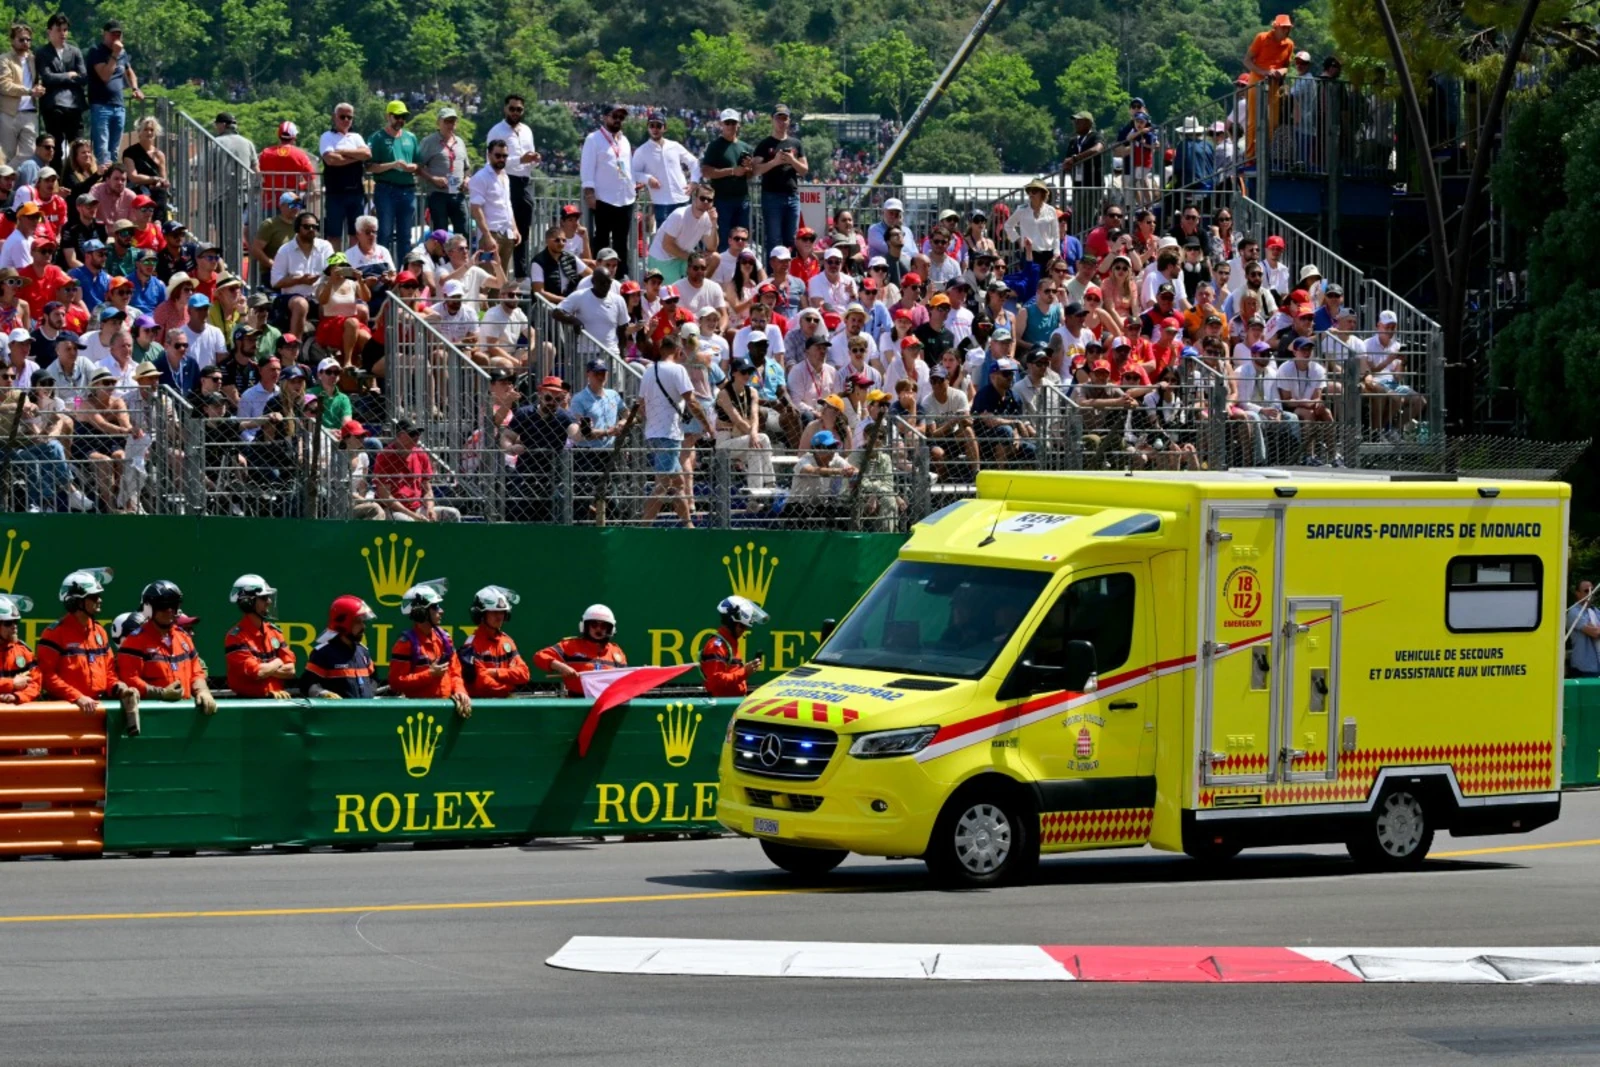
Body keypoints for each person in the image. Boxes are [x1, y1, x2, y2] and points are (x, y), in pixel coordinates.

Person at [37, 567, 138, 724]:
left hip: (97, 712)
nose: (99, 600)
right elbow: (47, 676)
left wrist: (118, 687)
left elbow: (109, 672)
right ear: (76, 601)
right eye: (93, 596)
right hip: (65, 712)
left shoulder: (99, 631)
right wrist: (77, 697)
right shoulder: (54, 633)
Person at [115, 580, 217, 714]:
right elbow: (130, 680)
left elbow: (196, 672)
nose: (169, 610)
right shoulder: (134, 641)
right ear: (149, 608)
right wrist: (161, 694)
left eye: (173, 605)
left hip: (186, 712)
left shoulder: (184, 637)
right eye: (163, 606)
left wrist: (203, 691)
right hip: (152, 716)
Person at [388, 580, 470, 716]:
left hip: (447, 710)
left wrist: (460, 691)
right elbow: (396, 682)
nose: (441, 611)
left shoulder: (445, 639)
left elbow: (455, 673)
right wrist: (429, 675)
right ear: (421, 612)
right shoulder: (405, 643)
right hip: (417, 713)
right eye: (435, 607)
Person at [640, 331, 697, 527]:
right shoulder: (678, 370)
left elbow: (642, 405)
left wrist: (654, 422)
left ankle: (688, 525)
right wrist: (707, 426)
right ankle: (643, 528)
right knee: (663, 485)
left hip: (654, 432)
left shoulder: (648, 370)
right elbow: (692, 401)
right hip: (669, 434)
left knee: (678, 483)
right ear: (678, 350)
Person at [580, 104, 639, 279]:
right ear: (605, 117)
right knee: (602, 239)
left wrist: (633, 186)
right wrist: (589, 193)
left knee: (622, 240)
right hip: (603, 198)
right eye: (615, 116)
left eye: (621, 117)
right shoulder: (593, 139)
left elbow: (627, 167)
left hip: (625, 197)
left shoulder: (624, 140)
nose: (618, 120)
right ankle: (601, 274)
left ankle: (621, 275)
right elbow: (587, 168)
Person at [224, 573, 296, 699]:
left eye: (268, 597)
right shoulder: (235, 637)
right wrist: (278, 662)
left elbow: (291, 671)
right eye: (263, 598)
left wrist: (267, 669)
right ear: (247, 602)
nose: (268, 602)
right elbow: (257, 672)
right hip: (249, 705)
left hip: (280, 699)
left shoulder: (275, 632)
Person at [533, 604, 627, 696]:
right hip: (576, 703)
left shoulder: (616, 651)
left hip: (606, 702)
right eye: (594, 624)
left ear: (610, 629)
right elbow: (539, 657)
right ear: (585, 626)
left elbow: (625, 679)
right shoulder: (570, 645)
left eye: (603, 626)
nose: (598, 629)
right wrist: (561, 667)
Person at [83, 20, 142, 165]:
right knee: (102, 150)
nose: (116, 37)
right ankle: (102, 180)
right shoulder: (96, 51)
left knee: (114, 150)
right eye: (113, 34)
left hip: (118, 105)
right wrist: (115, 54)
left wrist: (135, 88)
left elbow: (129, 72)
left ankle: (113, 181)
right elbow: (105, 76)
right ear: (105, 34)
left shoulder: (123, 53)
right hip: (101, 105)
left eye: (119, 34)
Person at [457, 586, 530, 699]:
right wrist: (508, 687)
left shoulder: (507, 641)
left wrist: (496, 672)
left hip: (504, 703)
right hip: (480, 705)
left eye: (502, 612)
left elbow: (524, 674)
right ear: (482, 614)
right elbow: (482, 682)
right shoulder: (471, 645)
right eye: (494, 612)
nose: (499, 616)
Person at [366, 100, 418, 257]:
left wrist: (412, 167)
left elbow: (418, 163)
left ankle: (404, 274)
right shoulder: (377, 138)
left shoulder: (411, 137)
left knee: (405, 236)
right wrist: (393, 164)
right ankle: (383, 271)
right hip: (385, 189)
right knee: (384, 233)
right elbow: (370, 167)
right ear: (388, 116)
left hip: (408, 190)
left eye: (403, 117)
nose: (400, 120)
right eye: (397, 116)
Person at [301, 594, 377, 699]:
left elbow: (373, 679)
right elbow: (307, 684)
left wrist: (369, 695)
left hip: (365, 714)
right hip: (338, 715)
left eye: (363, 622)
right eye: (358, 622)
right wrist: (322, 693)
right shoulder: (323, 653)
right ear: (343, 623)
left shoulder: (363, 651)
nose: (363, 626)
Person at [753, 105, 805, 252]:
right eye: (779, 118)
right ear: (772, 120)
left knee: (791, 239)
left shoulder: (796, 144)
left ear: (789, 121)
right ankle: (771, 274)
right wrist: (774, 162)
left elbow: (804, 169)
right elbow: (754, 170)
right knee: (774, 239)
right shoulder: (764, 144)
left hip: (792, 196)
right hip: (771, 196)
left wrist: (792, 160)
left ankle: (790, 273)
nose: (782, 122)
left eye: (785, 118)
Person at [318, 102, 370, 249]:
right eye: (342, 116)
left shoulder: (357, 136)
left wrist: (341, 151)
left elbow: (367, 154)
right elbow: (331, 160)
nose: (346, 120)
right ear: (334, 117)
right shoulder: (326, 136)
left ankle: (353, 266)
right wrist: (355, 156)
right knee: (334, 235)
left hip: (356, 193)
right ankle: (336, 268)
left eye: (350, 117)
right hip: (335, 193)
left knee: (356, 233)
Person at [701, 108, 753, 253]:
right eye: (727, 123)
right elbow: (706, 171)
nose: (730, 126)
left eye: (733, 123)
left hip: (742, 199)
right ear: (721, 125)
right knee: (724, 240)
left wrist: (748, 170)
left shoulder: (745, 147)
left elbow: (749, 175)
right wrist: (732, 171)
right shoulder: (714, 146)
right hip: (722, 200)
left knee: (742, 238)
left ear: (738, 125)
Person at [632, 111, 696, 226]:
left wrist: (694, 182)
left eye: (658, 126)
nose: (655, 129)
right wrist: (648, 178)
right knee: (665, 239)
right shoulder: (641, 151)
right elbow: (633, 173)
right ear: (648, 128)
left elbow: (694, 162)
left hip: (682, 198)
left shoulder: (674, 146)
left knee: (684, 238)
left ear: (664, 128)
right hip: (661, 202)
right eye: (652, 125)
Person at [35, 13, 86, 152]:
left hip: (74, 105)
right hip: (53, 106)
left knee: (78, 147)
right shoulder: (42, 52)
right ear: (49, 31)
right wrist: (69, 75)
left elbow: (83, 77)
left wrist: (60, 78)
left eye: (65, 30)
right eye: (58, 30)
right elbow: (47, 77)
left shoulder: (75, 51)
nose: (63, 33)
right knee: (55, 149)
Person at [700, 595, 766, 698]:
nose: (744, 630)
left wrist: (745, 670)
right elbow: (716, 682)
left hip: (732, 703)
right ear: (730, 623)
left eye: (746, 627)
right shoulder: (716, 646)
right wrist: (744, 671)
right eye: (742, 626)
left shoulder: (729, 644)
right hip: (722, 707)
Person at [469, 139, 520, 269]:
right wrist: (487, 236)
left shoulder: (505, 176)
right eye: (498, 155)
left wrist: (514, 229)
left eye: (505, 156)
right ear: (489, 154)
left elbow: (507, 205)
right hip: (491, 234)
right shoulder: (481, 177)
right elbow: (476, 209)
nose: (501, 159)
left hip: (507, 233)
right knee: (486, 281)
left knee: (502, 282)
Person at [0, 592, 38, 704]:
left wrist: (18, 697)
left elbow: (35, 683)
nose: (14, 626)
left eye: (16, 622)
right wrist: (11, 684)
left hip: (15, 718)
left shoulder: (24, 651)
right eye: (8, 623)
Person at [1567, 581, 1600, 679]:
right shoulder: (1574, 612)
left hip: (1597, 666)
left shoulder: (1596, 611)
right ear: (1578, 593)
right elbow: (1595, 633)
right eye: (1586, 591)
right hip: (1584, 668)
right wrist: (1595, 629)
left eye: (1592, 591)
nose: (1590, 594)